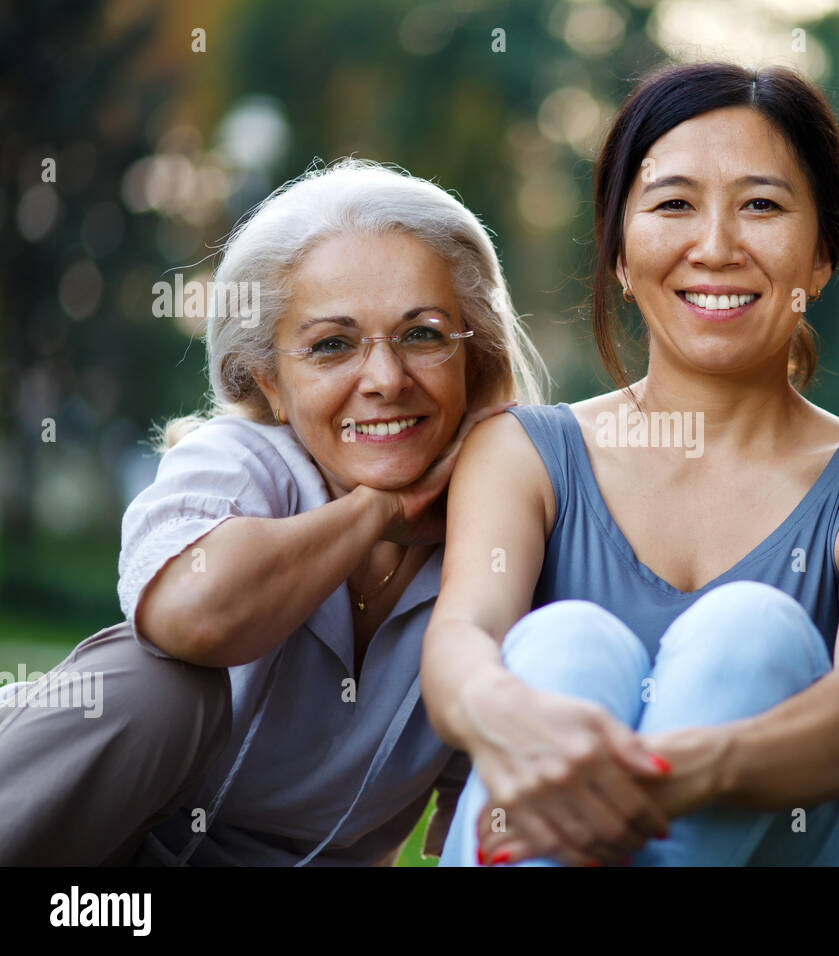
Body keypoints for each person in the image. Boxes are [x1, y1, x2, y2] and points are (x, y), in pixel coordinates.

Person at [420, 62, 839, 868]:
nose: (715, 247)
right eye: (673, 204)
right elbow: (464, 634)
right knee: (566, 644)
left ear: (818, 259)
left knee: (753, 629)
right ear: (622, 258)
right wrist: (506, 716)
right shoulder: (523, 452)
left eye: (762, 206)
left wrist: (682, 776)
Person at [0, 159, 546, 865]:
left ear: (474, 360)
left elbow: (474, 812)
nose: (385, 379)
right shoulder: (237, 462)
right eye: (331, 346)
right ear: (270, 384)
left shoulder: (508, 532)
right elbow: (194, 616)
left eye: (423, 334)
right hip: (96, 875)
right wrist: (378, 513)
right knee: (160, 687)